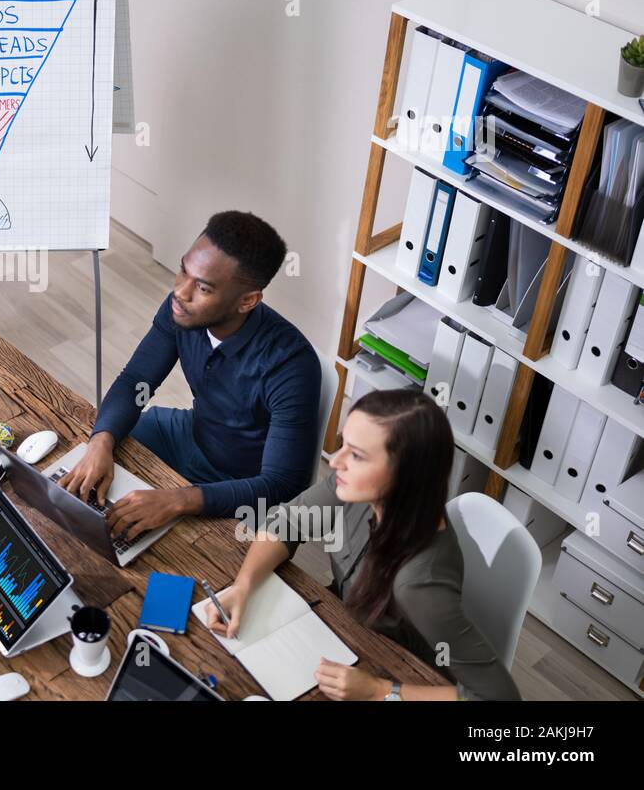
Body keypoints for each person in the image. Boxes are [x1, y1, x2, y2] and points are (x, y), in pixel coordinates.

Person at [205, 389, 522, 701]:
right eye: (343, 444)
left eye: (356, 455)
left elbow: (499, 697)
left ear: (404, 474)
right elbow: (288, 522)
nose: (336, 460)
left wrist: (378, 691)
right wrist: (243, 586)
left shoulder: (418, 583)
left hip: (394, 675)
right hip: (338, 635)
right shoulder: (363, 490)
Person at [61, 211, 320, 539]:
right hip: (188, 434)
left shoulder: (292, 366)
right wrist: (102, 440)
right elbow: (136, 380)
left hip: (244, 483)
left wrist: (179, 500)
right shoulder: (182, 310)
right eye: (184, 270)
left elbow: (282, 484)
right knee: (83, 460)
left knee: (174, 551)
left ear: (247, 301)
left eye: (203, 287)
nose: (181, 292)